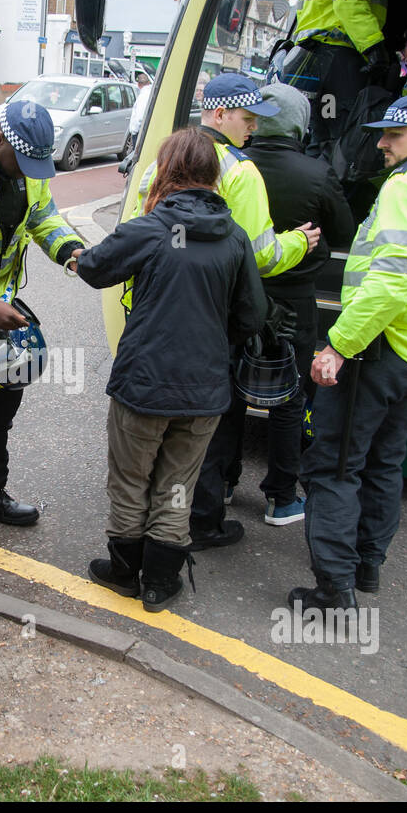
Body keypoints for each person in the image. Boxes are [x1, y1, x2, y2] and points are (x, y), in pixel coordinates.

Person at [289, 95, 407, 615]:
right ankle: (368, 567)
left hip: (376, 351)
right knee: (385, 463)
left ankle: (333, 592)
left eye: (395, 134)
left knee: (333, 466)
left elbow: (393, 281)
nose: (382, 142)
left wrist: (339, 346)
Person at [78, 128, 268, 611]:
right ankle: (161, 583)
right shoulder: (235, 238)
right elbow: (251, 316)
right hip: (204, 390)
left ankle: (124, 572)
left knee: (130, 480)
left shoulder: (152, 228)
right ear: (213, 177)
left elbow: (95, 268)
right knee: (178, 485)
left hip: (143, 384)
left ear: (167, 171)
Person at [131, 71, 321, 550]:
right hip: (212, 318)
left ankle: (148, 524)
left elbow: (137, 232)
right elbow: (261, 255)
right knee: (207, 422)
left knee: (155, 423)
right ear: (219, 113)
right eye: (248, 117)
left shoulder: (163, 161)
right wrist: (300, 240)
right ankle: (203, 521)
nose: (253, 128)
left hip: (155, 312)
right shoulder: (240, 171)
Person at [0, 100, 86, 553]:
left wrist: (72, 250)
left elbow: (43, 217)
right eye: (22, 161)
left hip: (0, 306)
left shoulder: (28, 172)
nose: (29, 172)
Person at [240, 83, 355, 527]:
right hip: (295, 301)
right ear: (300, 123)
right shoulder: (317, 172)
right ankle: (280, 497)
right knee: (289, 399)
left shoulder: (235, 167)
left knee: (232, 392)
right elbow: (345, 233)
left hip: (241, 297)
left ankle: (224, 483)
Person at [291, 0, 396, 159]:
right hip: (342, 53)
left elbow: (302, 0)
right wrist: (374, 48)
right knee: (339, 144)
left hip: (313, 52)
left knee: (318, 139)